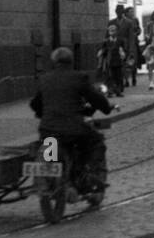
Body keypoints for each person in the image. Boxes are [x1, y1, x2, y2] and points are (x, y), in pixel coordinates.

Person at [30, 47, 114, 175]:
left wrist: (44, 113)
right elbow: (95, 98)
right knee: (97, 142)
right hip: (74, 131)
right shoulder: (79, 77)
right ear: (71, 61)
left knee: (49, 161)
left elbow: (35, 104)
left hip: (49, 132)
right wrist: (106, 108)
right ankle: (94, 179)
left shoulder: (45, 79)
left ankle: (47, 183)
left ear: (54, 62)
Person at [96, 23, 127, 97]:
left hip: (118, 61)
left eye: (113, 30)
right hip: (109, 61)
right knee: (109, 77)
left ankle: (118, 91)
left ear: (117, 31)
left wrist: (123, 55)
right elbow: (103, 50)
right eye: (110, 30)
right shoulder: (106, 41)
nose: (112, 32)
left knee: (118, 76)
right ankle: (110, 91)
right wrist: (101, 52)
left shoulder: (120, 40)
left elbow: (124, 50)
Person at [123, 6, 143, 85]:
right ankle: (126, 80)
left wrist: (136, 33)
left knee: (133, 61)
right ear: (126, 13)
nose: (132, 13)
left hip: (134, 44)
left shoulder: (135, 20)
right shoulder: (123, 21)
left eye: (132, 11)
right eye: (130, 11)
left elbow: (139, 29)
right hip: (125, 44)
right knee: (125, 63)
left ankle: (134, 78)